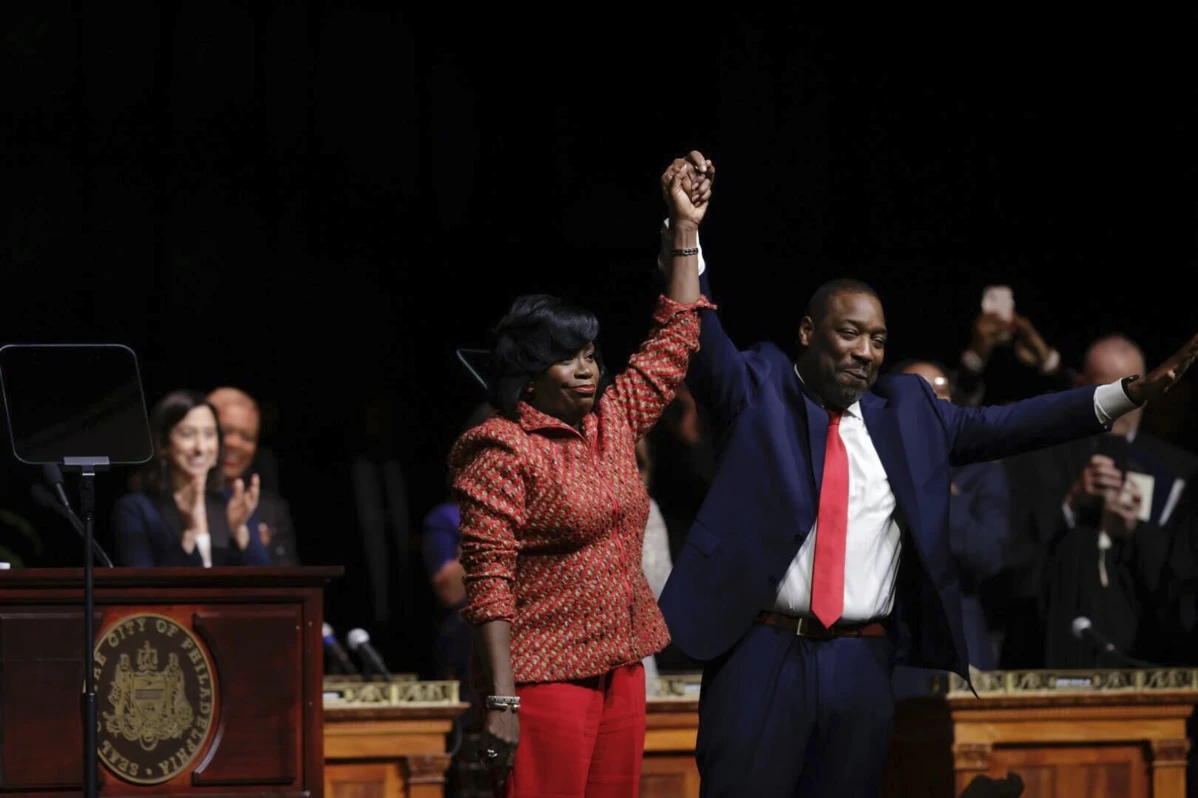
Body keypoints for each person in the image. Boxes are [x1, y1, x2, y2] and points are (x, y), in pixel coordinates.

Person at [653, 150, 1198, 796]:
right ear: (808, 331)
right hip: (761, 653)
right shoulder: (758, 388)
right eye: (849, 333)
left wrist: (1126, 395)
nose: (864, 352)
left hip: (860, 659)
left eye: (878, 340)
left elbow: (1016, 423)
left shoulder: (908, 415)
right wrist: (686, 231)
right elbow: (692, 334)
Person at [448, 161, 712, 796]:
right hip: (544, 679)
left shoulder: (612, 422)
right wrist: (502, 704)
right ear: (529, 377)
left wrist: (683, 224)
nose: (588, 368)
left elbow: (674, 337)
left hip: (621, 668)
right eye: (566, 358)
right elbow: (489, 585)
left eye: (590, 353)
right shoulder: (502, 449)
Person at [890, 359, 1009, 696]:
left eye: (940, 388)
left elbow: (989, 556)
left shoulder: (980, 470)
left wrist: (939, 492)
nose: (931, 400)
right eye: (917, 392)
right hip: (885, 648)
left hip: (959, 647)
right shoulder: (869, 466)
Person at [113, 390, 271, 568]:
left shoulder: (232, 504)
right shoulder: (137, 509)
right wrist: (189, 533)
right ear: (164, 443)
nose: (201, 447)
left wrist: (238, 532)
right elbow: (143, 586)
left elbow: (263, 581)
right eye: (188, 434)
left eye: (209, 434)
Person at [207, 387, 300, 566]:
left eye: (247, 437)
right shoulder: (174, 501)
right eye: (226, 432)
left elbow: (290, 583)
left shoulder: (271, 510)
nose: (235, 443)